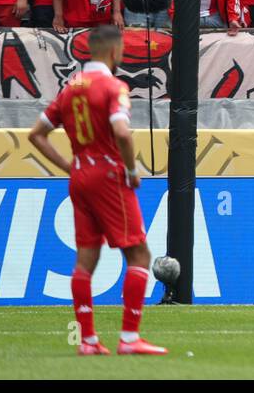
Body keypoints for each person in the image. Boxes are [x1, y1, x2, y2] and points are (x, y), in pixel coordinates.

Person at [26, 24, 167, 356]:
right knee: (138, 253)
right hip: (108, 176)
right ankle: (130, 339)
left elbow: (36, 134)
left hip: (80, 177)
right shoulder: (113, 86)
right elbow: (122, 132)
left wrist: (69, 167)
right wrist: (132, 170)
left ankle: (88, 341)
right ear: (116, 52)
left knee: (85, 260)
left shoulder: (72, 85)